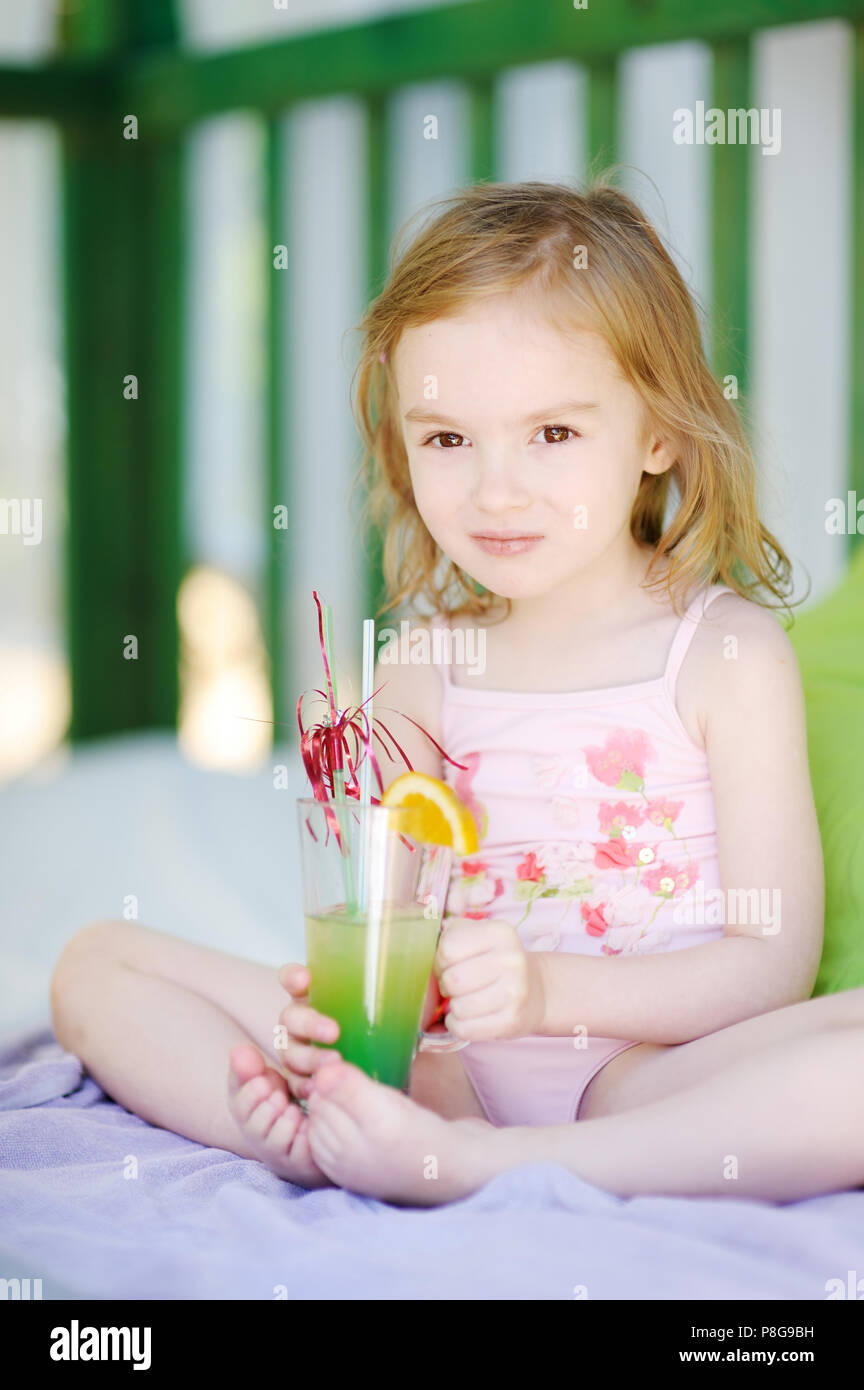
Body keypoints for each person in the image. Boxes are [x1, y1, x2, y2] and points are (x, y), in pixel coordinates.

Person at [52, 180, 864, 1208]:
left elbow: (770, 960)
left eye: (553, 434)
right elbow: (390, 924)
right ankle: (324, 1137)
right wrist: (341, 1019)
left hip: (648, 1077)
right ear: (402, 443)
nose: (496, 490)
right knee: (98, 963)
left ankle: (489, 1167)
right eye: (447, 439)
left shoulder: (727, 655)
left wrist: (545, 991)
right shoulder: (423, 666)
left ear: (660, 433)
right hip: (445, 1074)